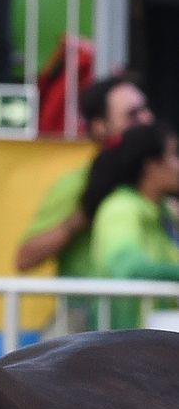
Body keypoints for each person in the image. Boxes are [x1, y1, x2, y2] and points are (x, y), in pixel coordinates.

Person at [15, 76, 154, 329]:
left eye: (146, 109)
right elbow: (25, 258)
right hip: (87, 331)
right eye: (132, 114)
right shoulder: (75, 184)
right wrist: (80, 219)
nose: (146, 120)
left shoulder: (159, 183)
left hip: (145, 326)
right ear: (100, 127)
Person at [81, 122, 179, 329]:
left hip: (158, 344)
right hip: (124, 349)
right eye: (174, 155)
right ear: (151, 165)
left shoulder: (165, 212)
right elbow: (128, 267)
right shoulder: (120, 209)